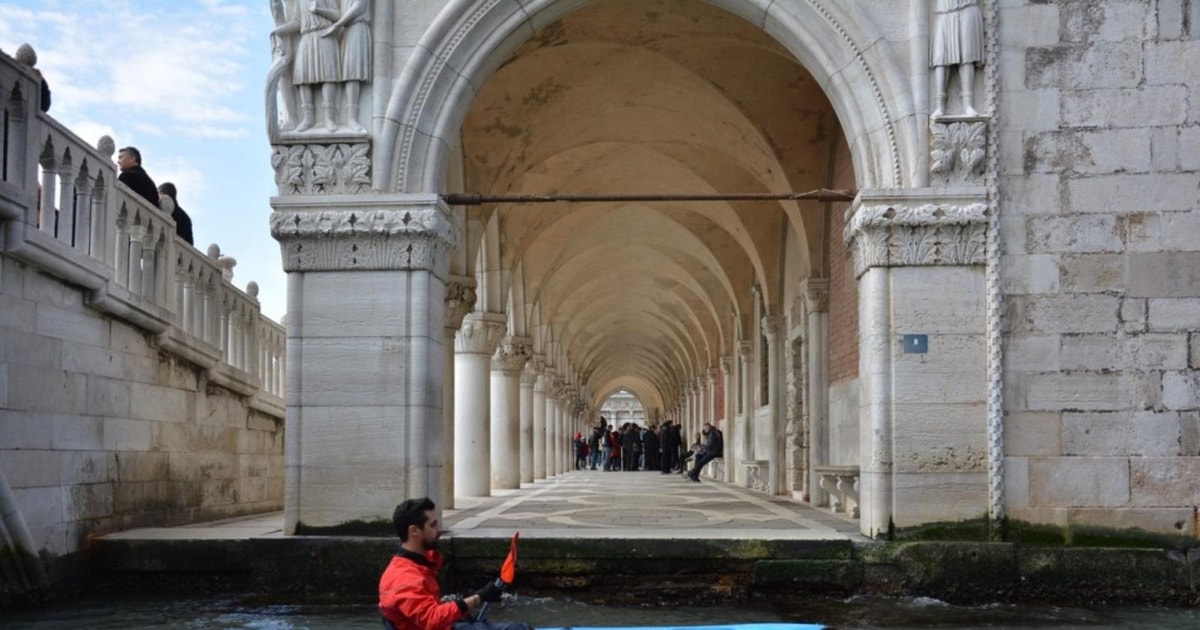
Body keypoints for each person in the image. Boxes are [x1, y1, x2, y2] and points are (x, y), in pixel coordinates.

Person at [379, 497, 530, 630]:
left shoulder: (416, 564)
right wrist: (479, 597)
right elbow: (433, 619)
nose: (439, 530)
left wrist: (481, 596)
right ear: (414, 531)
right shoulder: (405, 578)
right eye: (433, 525)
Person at [930, 0, 983, 118]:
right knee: (941, 59)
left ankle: (968, 104)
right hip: (943, 12)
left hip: (967, 7)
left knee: (967, 57)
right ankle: (939, 105)